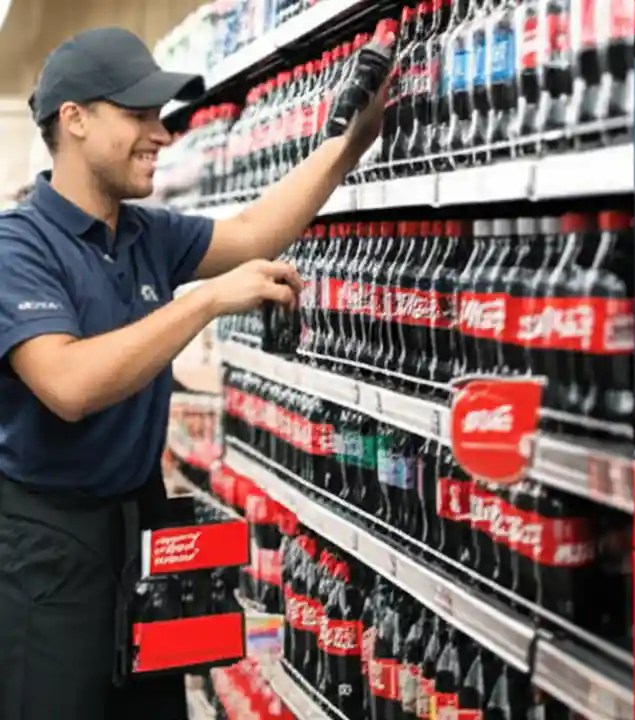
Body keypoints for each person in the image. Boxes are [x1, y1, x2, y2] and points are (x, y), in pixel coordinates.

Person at [0, 26, 388, 719]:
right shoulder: (17, 248)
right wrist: (206, 298)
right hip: (48, 544)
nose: (161, 133)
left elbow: (254, 234)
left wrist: (350, 143)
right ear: (76, 120)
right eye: (139, 115)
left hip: (143, 524)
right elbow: (68, 386)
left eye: (162, 116)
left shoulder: (146, 232)